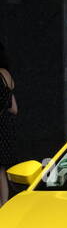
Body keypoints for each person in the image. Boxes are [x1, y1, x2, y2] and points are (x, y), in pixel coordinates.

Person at [0, 41, 17, 206]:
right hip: (6, 126)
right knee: (2, 169)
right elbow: (14, 108)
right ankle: (4, 204)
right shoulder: (8, 76)